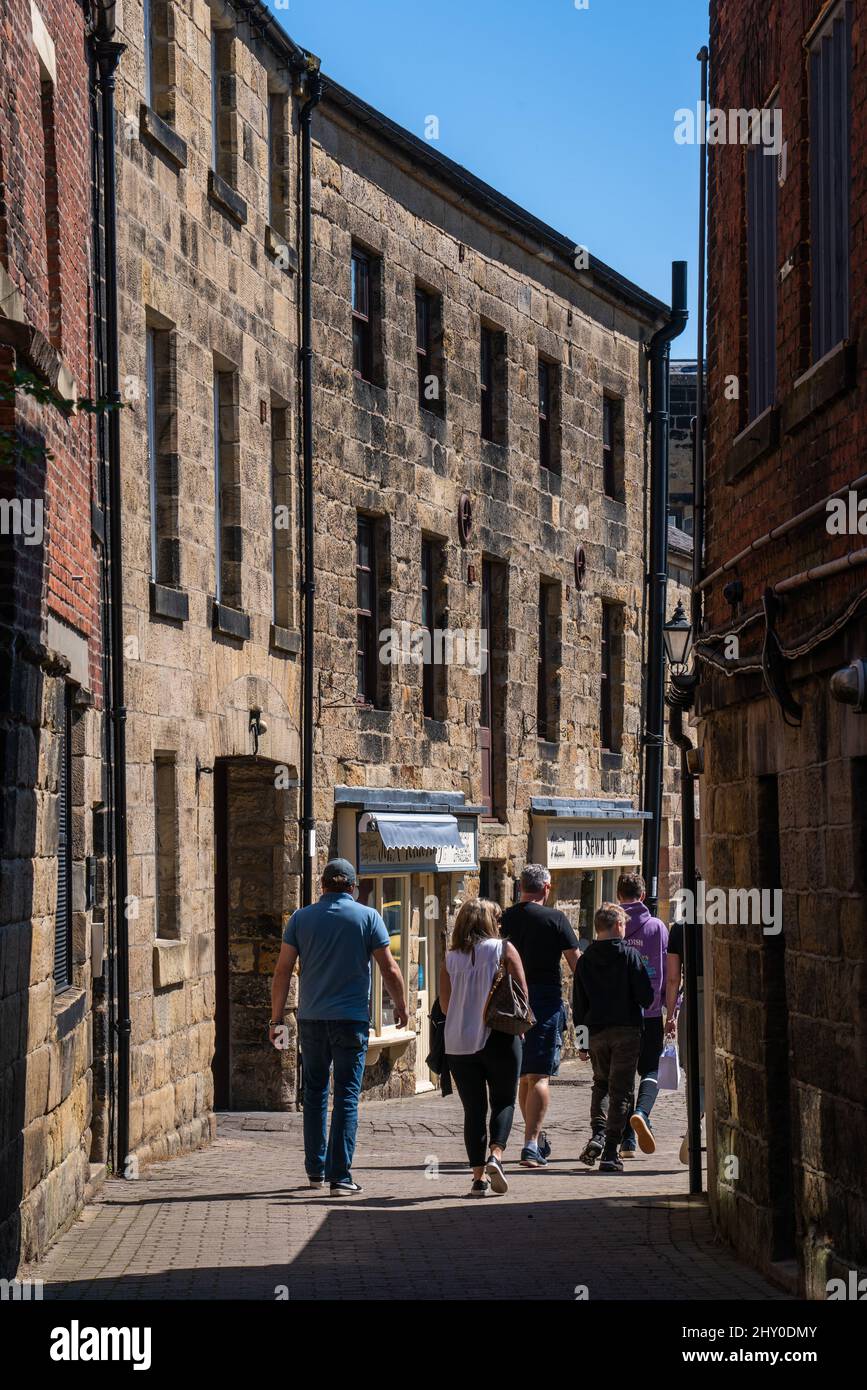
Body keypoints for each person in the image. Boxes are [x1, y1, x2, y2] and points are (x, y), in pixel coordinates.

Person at [270, 858, 407, 1195]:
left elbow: (283, 970)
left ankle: (315, 1171)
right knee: (346, 1094)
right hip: (351, 1020)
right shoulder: (368, 917)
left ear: (322, 886)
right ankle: (340, 1177)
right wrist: (401, 1006)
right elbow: (389, 968)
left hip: (312, 1019)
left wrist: (276, 1018)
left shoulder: (301, 919)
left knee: (314, 1093)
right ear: (352, 886)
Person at [440, 897, 528, 1197]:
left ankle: (478, 1179)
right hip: (499, 1035)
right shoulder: (503, 949)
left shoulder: (450, 959)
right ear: (491, 922)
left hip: (458, 1044)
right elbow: (521, 995)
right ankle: (496, 1156)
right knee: (504, 1100)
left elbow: (445, 1004)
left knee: (473, 1110)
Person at [500, 864, 579, 1168]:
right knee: (540, 1076)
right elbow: (576, 964)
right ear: (547, 888)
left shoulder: (504, 918)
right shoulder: (556, 919)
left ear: (521, 887)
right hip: (544, 1001)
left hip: (511, 1003)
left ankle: (533, 1137)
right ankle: (531, 1144)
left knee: (523, 1076)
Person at [573, 902, 653, 1174]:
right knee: (621, 1089)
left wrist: (581, 1043)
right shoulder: (630, 956)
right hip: (626, 1030)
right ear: (618, 925)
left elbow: (579, 1006)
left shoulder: (585, 960)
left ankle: (597, 1133)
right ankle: (610, 1151)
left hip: (595, 1032)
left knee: (601, 1084)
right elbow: (646, 996)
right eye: (624, 924)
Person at [617, 872, 668, 1158]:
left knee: (623, 1076)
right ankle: (642, 1112)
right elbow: (668, 971)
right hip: (649, 1012)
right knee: (651, 1069)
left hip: (619, 1012)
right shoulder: (658, 927)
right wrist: (670, 1006)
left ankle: (627, 1141)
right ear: (644, 895)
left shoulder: (612, 923)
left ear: (619, 895)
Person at [665, 905, 705, 1164]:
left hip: (694, 998)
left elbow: (672, 979)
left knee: (696, 1072)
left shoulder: (680, 927)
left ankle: (695, 1124)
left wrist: (670, 1016)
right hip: (723, 992)